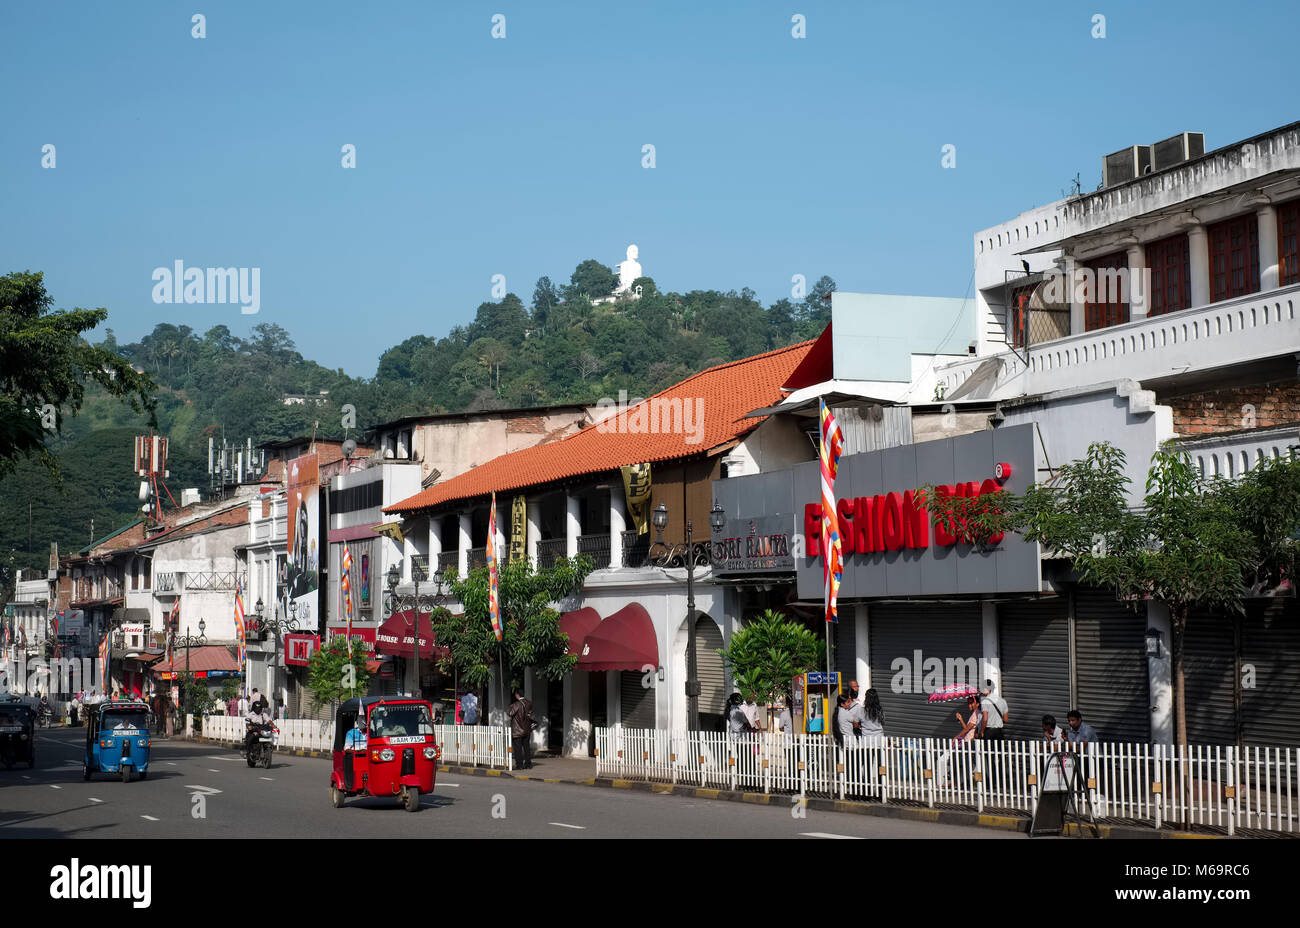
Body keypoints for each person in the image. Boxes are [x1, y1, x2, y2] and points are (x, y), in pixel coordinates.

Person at [507, 688, 534, 769]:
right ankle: (528, 764)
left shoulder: (516, 704)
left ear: (517, 695)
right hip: (527, 729)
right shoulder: (529, 703)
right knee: (526, 747)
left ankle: (519, 765)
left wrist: (510, 707)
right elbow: (530, 712)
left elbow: (510, 713)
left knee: (518, 749)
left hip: (518, 730)